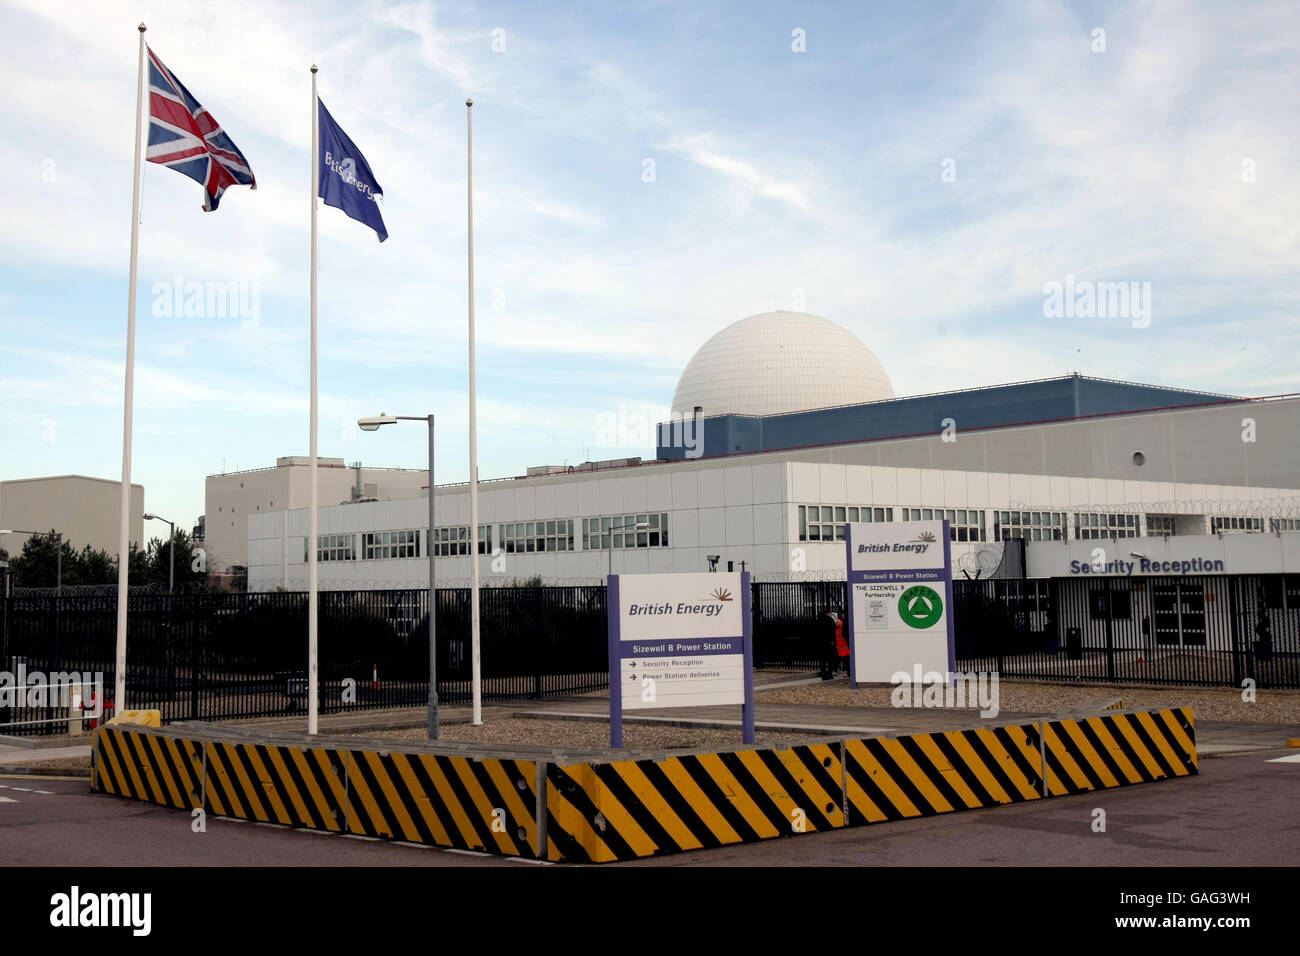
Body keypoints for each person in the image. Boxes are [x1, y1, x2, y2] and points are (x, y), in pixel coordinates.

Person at [819, 609, 841, 680]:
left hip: (822, 643)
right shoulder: (829, 619)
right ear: (829, 613)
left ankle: (823, 674)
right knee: (832, 658)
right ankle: (829, 673)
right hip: (829, 643)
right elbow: (832, 630)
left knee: (823, 659)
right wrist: (833, 641)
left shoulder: (819, 619)